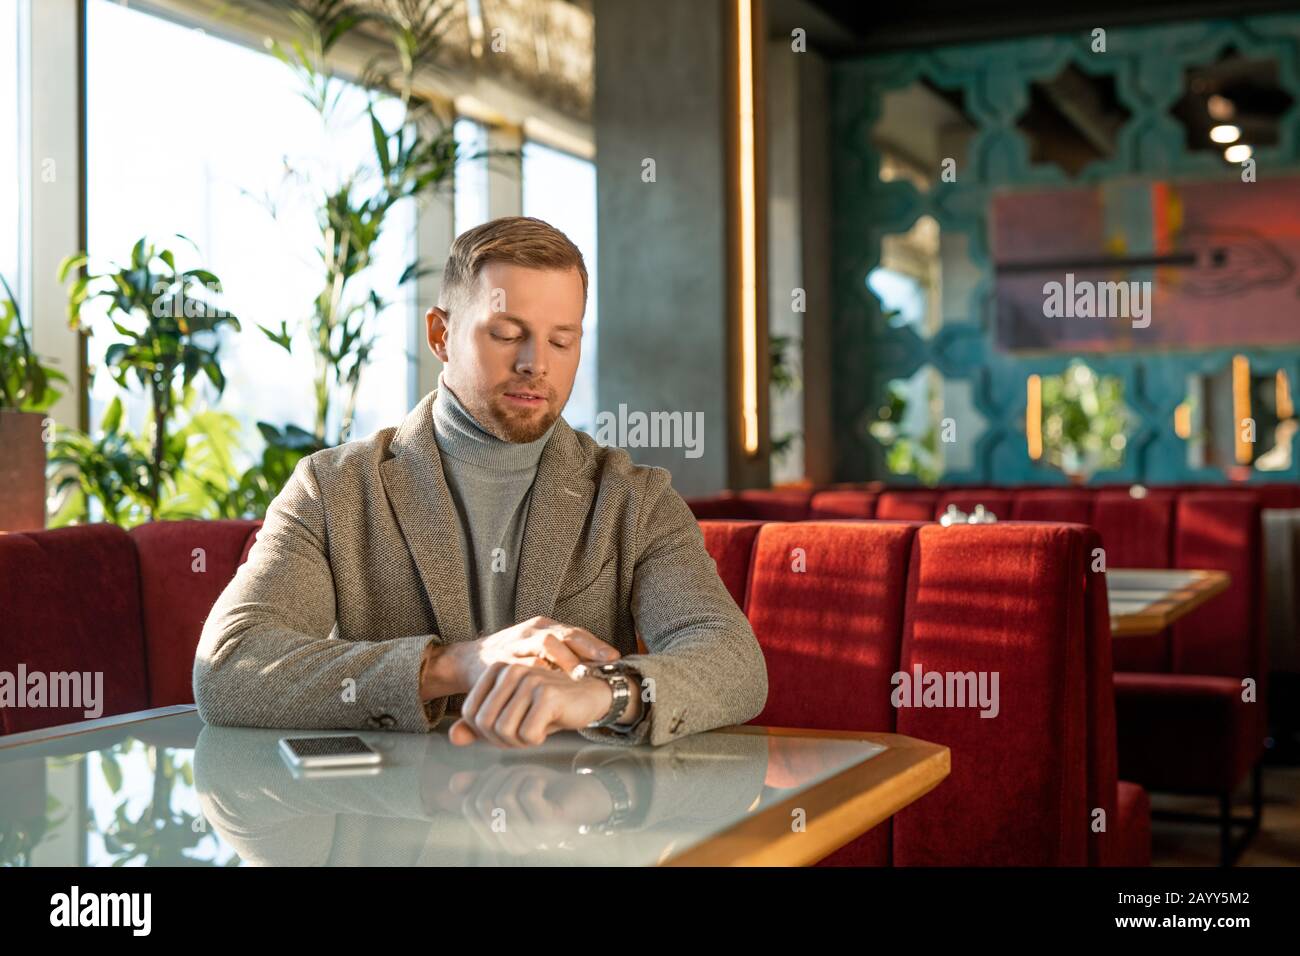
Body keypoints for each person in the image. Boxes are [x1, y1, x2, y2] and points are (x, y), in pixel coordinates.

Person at [193, 215, 768, 749]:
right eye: (505, 333)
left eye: (561, 340)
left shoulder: (634, 499)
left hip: (571, 834)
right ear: (441, 335)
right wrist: (456, 664)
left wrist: (603, 693)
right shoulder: (332, 488)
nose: (535, 363)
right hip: (396, 836)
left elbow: (734, 663)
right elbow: (229, 665)